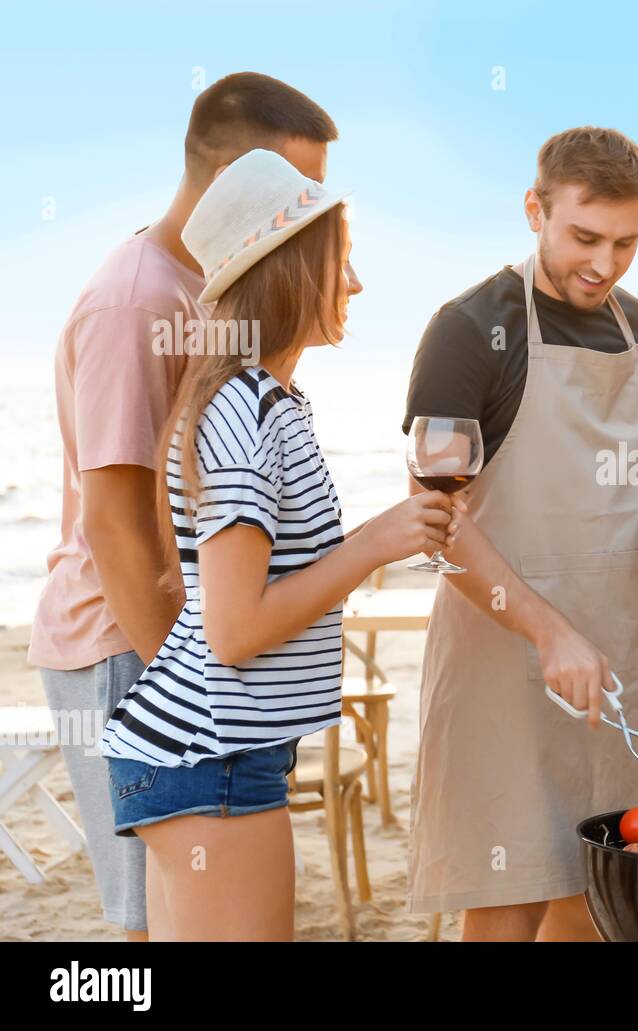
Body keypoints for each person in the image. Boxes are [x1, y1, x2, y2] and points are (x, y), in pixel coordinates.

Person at [97, 149, 461, 941]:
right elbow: (235, 630)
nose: (356, 284)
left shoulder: (268, 399)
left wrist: (377, 538)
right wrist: (374, 543)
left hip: (198, 751)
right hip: (209, 753)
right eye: (342, 263)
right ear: (289, 269)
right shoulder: (247, 410)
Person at [28, 72, 338, 941]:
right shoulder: (139, 299)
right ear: (242, 178)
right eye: (302, 187)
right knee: (147, 932)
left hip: (169, 645)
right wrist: (198, 686)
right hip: (127, 639)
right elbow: (114, 519)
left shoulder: (206, 291)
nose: (314, 212)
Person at [403, 127, 638, 942]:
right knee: (510, 894)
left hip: (624, 654)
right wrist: (548, 630)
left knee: (605, 886)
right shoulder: (467, 328)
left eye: (626, 243)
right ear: (535, 209)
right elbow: (437, 520)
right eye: (584, 237)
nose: (603, 264)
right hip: (507, 654)